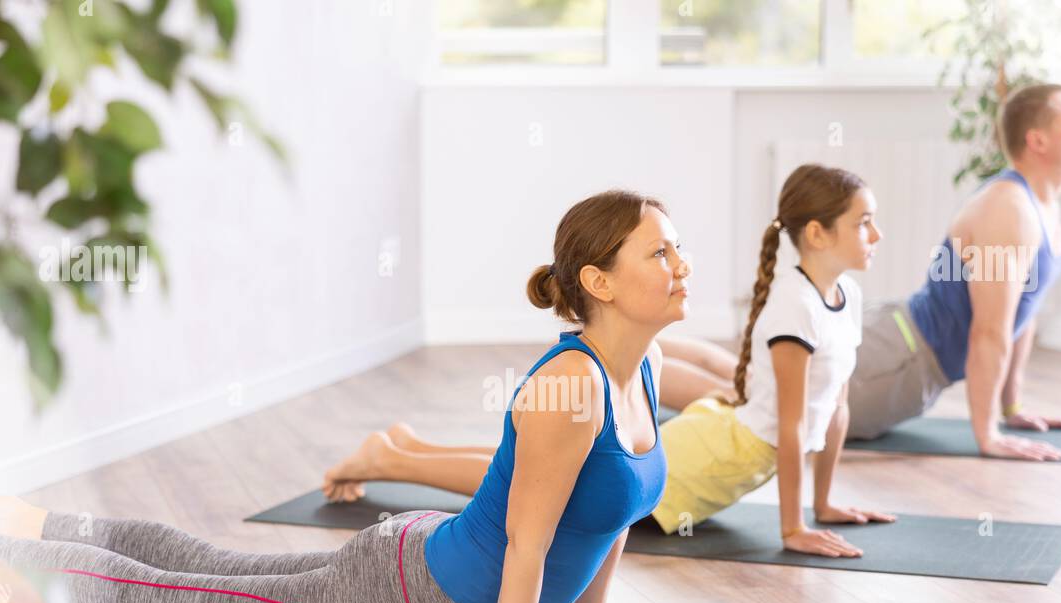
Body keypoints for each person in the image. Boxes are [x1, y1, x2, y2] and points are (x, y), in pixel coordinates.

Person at [0, 189, 687, 603]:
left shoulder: (638, 370)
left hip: (418, 562)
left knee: (211, 566)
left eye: (676, 248)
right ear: (599, 282)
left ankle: (37, 518)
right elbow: (530, 542)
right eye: (660, 251)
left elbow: (613, 514)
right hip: (407, 598)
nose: (680, 264)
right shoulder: (572, 386)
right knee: (187, 602)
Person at [324, 164, 895, 557]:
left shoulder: (843, 300)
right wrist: (795, 526)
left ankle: (403, 449)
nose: (876, 233)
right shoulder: (795, 309)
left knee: (541, 470)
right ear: (817, 233)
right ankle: (392, 459)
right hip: (716, 460)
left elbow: (831, 410)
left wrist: (821, 505)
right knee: (539, 481)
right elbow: (795, 426)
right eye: (863, 221)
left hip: (726, 444)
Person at [845, 83, 1061, 460]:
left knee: (753, 385)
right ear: (1038, 141)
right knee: (760, 399)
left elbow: (1019, 318)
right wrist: (988, 435)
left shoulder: (1042, 206)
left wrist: (1012, 409)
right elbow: (989, 332)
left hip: (902, 350)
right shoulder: (1009, 209)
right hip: (892, 362)